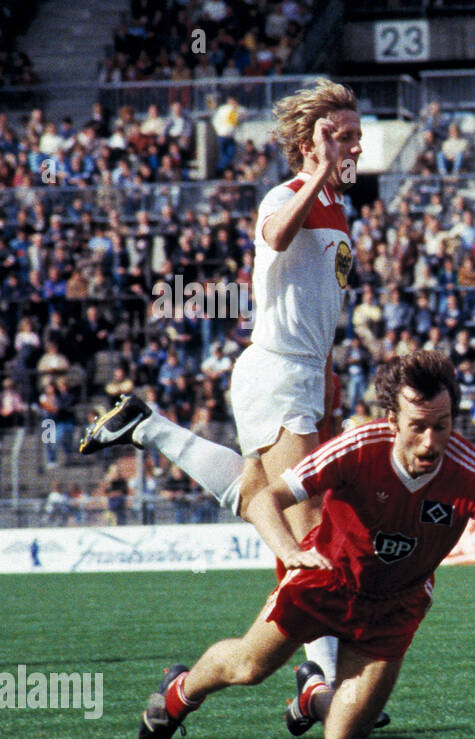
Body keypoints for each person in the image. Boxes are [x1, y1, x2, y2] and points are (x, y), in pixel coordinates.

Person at [81, 79, 362, 695]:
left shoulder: (340, 211)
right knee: (309, 520)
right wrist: (315, 170)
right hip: (278, 369)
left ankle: (147, 426)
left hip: (304, 372)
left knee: (264, 502)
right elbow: (277, 237)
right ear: (308, 142)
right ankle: (325, 676)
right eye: (340, 135)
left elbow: (318, 301)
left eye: (356, 135)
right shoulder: (284, 195)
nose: (355, 146)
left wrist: (331, 368)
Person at [137, 350, 475, 739]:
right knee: (249, 667)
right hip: (326, 577)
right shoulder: (358, 447)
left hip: (395, 605)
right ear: (392, 420)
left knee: (343, 737)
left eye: (442, 426)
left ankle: (312, 698)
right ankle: (179, 693)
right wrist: (290, 551)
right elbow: (264, 499)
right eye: (418, 426)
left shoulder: (472, 475)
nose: (431, 442)